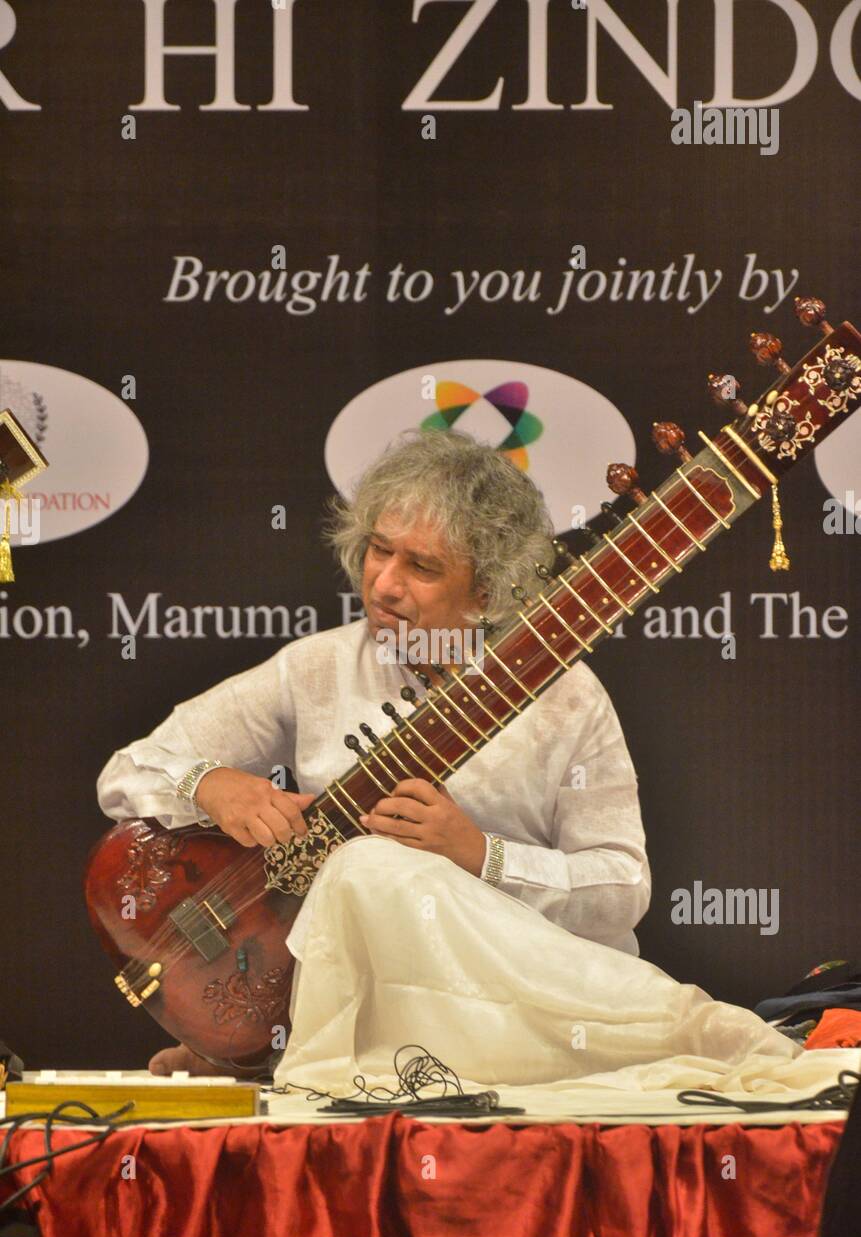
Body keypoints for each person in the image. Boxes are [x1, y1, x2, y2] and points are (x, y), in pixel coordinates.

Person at [96, 429, 652, 1076]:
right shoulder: (319, 667)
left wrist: (482, 857)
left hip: (518, 1004)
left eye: (421, 567)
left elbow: (620, 888)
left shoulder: (567, 697)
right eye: (377, 551)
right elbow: (127, 773)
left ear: (488, 591)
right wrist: (209, 786)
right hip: (361, 1017)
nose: (384, 585)